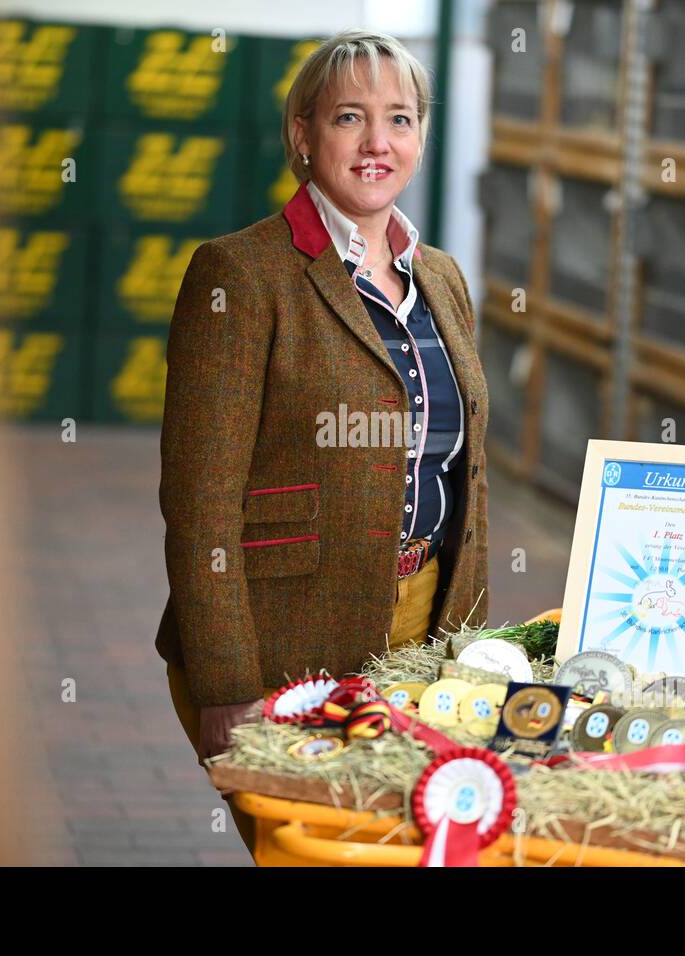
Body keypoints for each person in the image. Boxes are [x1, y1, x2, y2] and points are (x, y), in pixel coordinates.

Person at [155, 29, 490, 851]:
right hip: (284, 644)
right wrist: (227, 685)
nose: (379, 142)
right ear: (303, 136)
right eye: (350, 117)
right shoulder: (241, 275)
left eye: (401, 119)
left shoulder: (441, 277)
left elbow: (465, 477)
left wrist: (473, 652)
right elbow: (199, 503)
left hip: (429, 638)